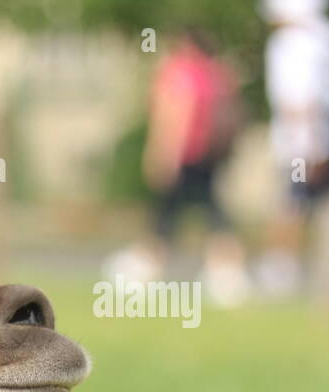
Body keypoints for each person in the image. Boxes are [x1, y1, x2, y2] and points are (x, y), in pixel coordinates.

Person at [105, 29, 250, 305]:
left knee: (165, 215)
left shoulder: (179, 72)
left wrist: (165, 153)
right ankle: (228, 272)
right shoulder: (214, 73)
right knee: (211, 213)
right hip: (208, 155)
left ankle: (144, 270)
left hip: (184, 155)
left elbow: (176, 115)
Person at [257, 0, 329, 301]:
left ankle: (280, 269)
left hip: (305, 141)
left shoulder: (293, 44)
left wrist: (310, 144)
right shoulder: (328, 34)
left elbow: (301, 100)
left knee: (292, 202)